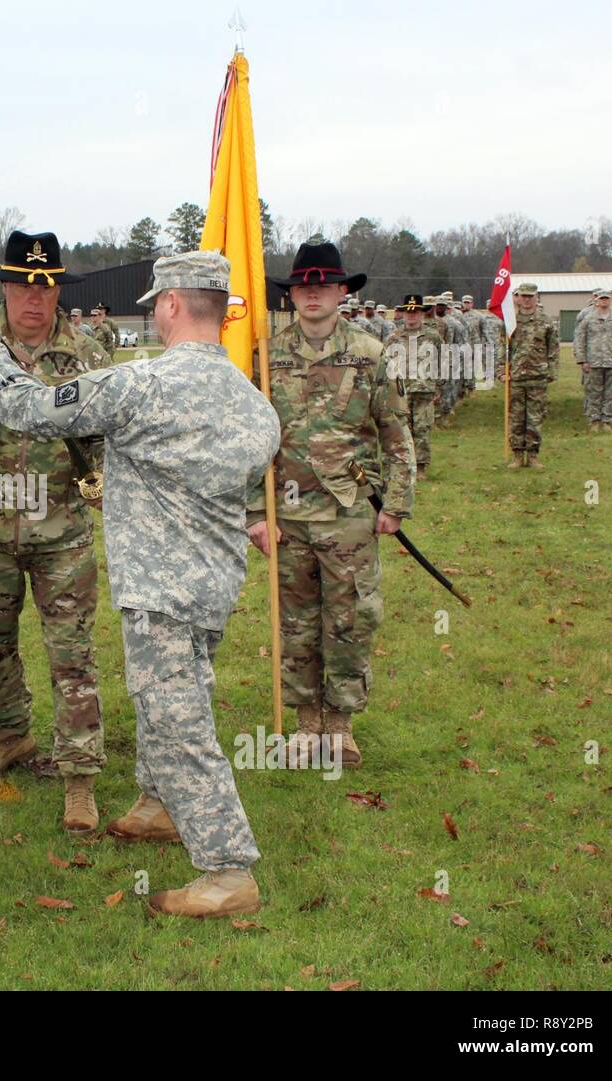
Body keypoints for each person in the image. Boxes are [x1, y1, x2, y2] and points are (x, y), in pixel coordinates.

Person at [0, 249, 279, 917]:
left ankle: (226, 868)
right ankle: (159, 803)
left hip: (159, 588)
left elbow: (29, 407)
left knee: (176, 716)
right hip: (214, 585)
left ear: (167, 305)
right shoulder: (256, 407)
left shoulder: (139, 387)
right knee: (182, 697)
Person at [0, 230, 108, 832]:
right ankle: (8, 738)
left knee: (72, 658)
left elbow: (100, 427)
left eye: (46, 286)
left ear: (58, 291)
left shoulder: (84, 354)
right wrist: (4, 386)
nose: (35, 298)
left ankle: (79, 777)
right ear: (4, 288)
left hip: (60, 530)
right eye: (22, 285)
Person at [249, 241, 415, 769]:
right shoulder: (265, 355)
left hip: (349, 514)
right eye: (304, 285)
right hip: (287, 515)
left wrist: (398, 504)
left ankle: (340, 725)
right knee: (296, 624)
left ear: (343, 292)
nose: (313, 293)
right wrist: (253, 512)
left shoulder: (369, 353)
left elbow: (396, 432)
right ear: (292, 294)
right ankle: (305, 724)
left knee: (349, 621)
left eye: (323, 285)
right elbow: (248, 441)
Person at [385, 295, 443, 478]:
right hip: (400, 391)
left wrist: (439, 386)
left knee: (422, 428)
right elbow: (384, 363)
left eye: (415, 312)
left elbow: (443, 361)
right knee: (400, 430)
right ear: (402, 314)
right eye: (408, 312)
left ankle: (421, 466)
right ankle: (403, 465)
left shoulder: (432, 336)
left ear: (422, 314)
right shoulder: (393, 338)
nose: (411, 316)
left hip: (424, 390)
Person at [504, 282, 559, 469]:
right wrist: (500, 372)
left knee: (535, 417)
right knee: (517, 417)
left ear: (537, 297)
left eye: (530, 296)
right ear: (518, 298)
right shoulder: (511, 321)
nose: (526, 300)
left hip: (538, 376)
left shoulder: (546, 321)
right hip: (516, 376)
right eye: (523, 296)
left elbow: (553, 348)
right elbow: (503, 349)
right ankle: (518, 455)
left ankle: (533, 455)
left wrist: (552, 371)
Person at [574, 288, 612, 433]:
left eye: (606, 298)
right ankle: (594, 420)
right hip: (593, 362)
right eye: (601, 298)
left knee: (610, 393)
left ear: (610, 300)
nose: (604, 301)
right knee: (594, 392)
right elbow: (580, 340)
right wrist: (582, 361)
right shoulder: (588, 319)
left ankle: (607, 421)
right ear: (596, 300)